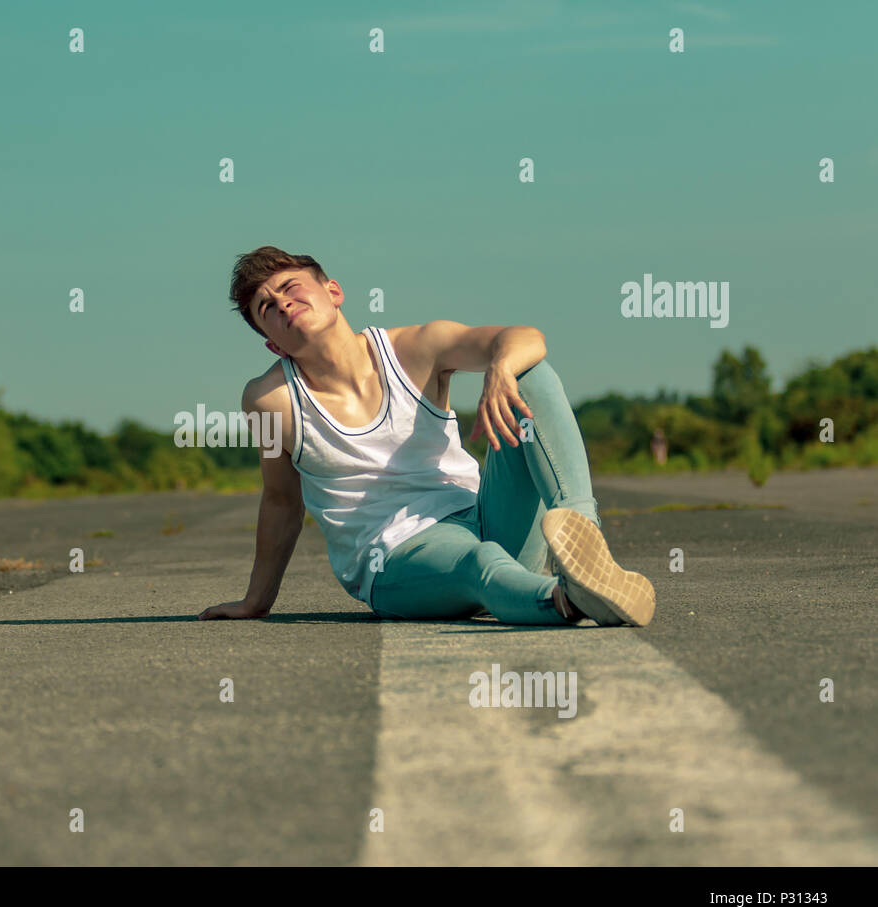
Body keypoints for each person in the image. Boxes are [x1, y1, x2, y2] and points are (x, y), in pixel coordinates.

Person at [197, 246, 655, 626]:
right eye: (267, 308)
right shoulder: (270, 400)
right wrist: (256, 601)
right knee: (480, 560)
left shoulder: (415, 347)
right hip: (397, 557)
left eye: (290, 287)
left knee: (526, 369)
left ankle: (585, 538)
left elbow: (525, 337)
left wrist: (500, 368)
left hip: (484, 515)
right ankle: (570, 599)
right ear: (272, 343)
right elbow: (281, 501)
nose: (282, 303)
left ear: (333, 292)